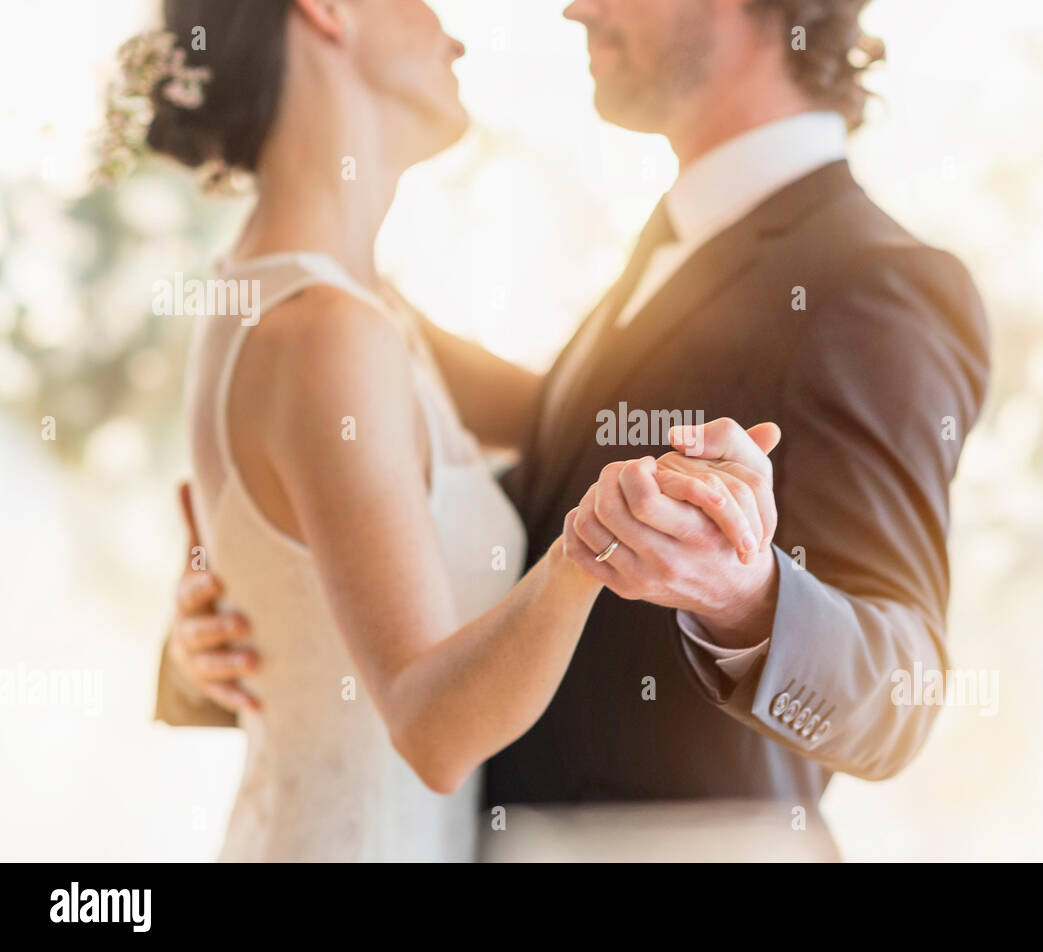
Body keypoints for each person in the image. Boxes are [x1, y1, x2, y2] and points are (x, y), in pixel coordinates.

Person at [160, 0, 991, 862]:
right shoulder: (639, 263)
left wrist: (747, 600)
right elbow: (386, 508)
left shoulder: (876, 284)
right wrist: (235, 624)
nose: (575, 6)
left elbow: (906, 689)